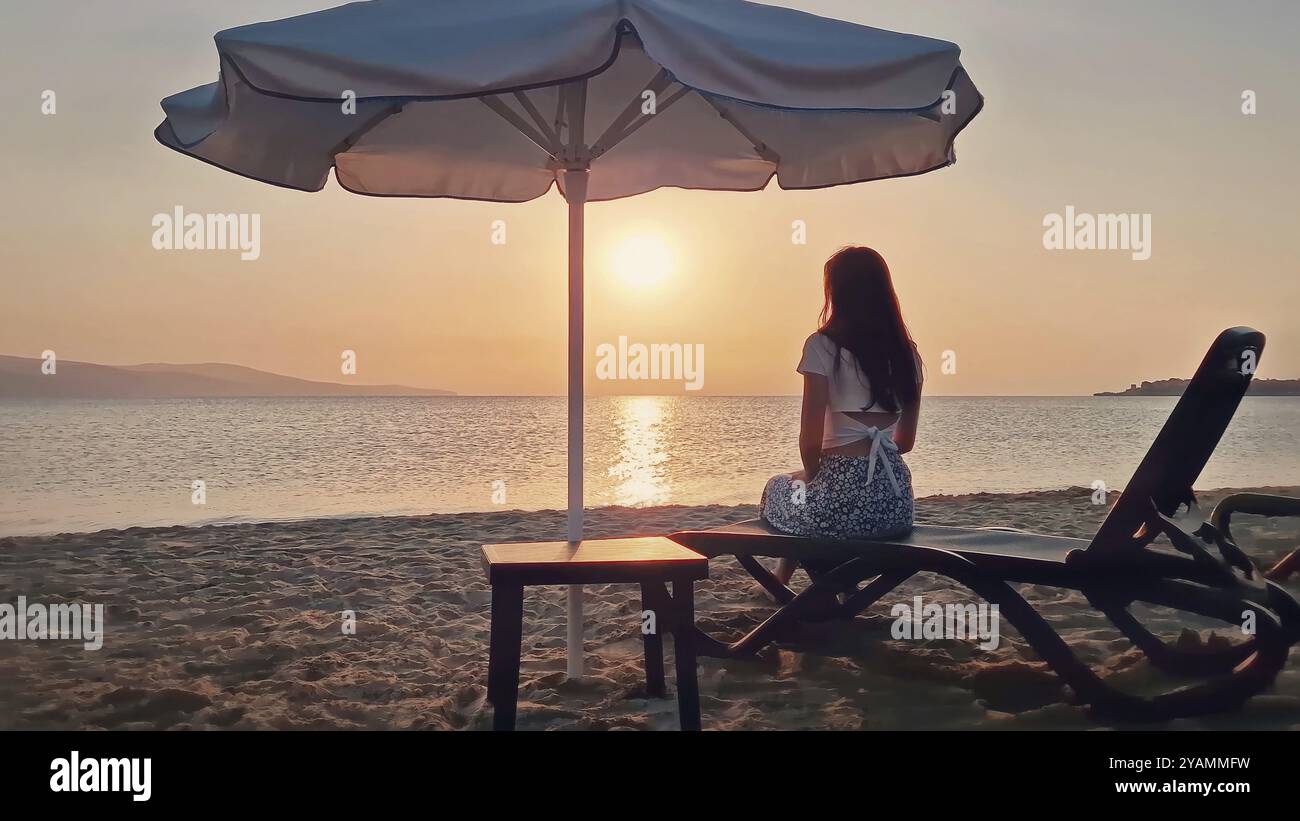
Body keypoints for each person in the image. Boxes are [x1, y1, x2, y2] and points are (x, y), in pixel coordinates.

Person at [760, 246, 923, 585]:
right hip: (895, 507)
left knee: (779, 487)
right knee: (802, 486)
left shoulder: (822, 347)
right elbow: (904, 443)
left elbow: (810, 442)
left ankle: (787, 580)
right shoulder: (908, 355)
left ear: (836, 292)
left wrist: (815, 474)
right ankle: (818, 583)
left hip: (840, 509)